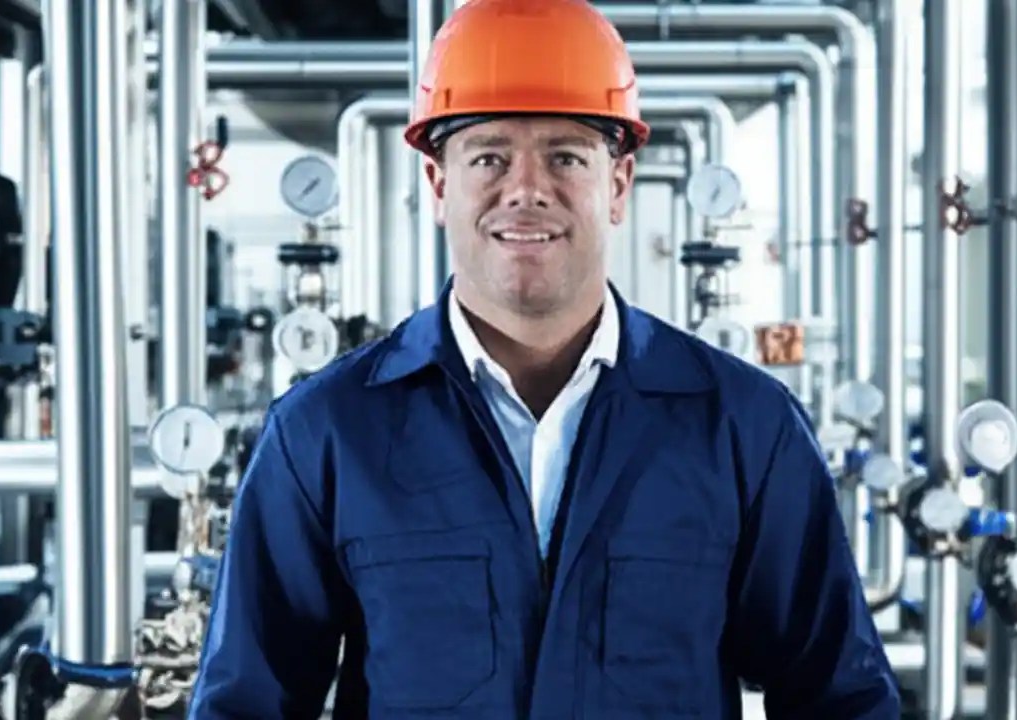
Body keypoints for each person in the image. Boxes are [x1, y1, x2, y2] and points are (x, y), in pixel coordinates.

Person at [189, 0, 900, 717]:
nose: (526, 190)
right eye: (490, 156)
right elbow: (245, 703)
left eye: (565, 155)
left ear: (617, 185)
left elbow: (838, 696)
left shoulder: (743, 427)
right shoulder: (327, 433)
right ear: (439, 185)